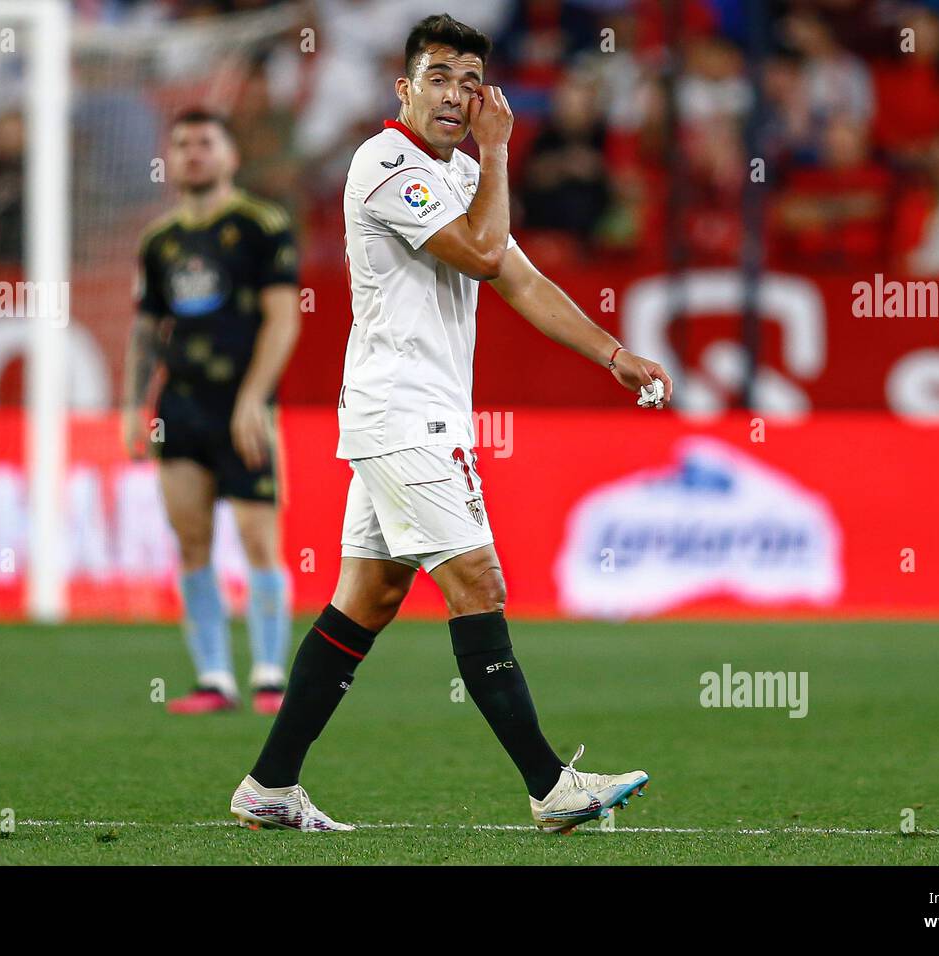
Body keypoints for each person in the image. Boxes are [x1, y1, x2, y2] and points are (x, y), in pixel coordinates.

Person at [229, 14, 672, 834]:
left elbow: (522, 278)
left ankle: (271, 786)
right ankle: (551, 788)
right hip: (404, 416)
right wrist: (499, 154)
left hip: (410, 415)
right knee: (479, 583)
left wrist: (613, 353)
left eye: (472, 82)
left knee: (368, 597)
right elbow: (476, 252)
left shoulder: (462, 175)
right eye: (439, 77)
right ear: (405, 87)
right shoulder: (387, 161)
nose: (456, 96)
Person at [123, 110, 300, 716]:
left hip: (242, 405)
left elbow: (283, 317)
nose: (193, 153)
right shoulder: (159, 241)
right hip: (182, 407)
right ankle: (214, 680)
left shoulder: (261, 225)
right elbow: (146, 331)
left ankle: (271, 678)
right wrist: (132, 407)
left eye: (206, 143)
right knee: (191, 540)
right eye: (182, 144)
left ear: (230, 156)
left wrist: (255, 397)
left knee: (258, 537)